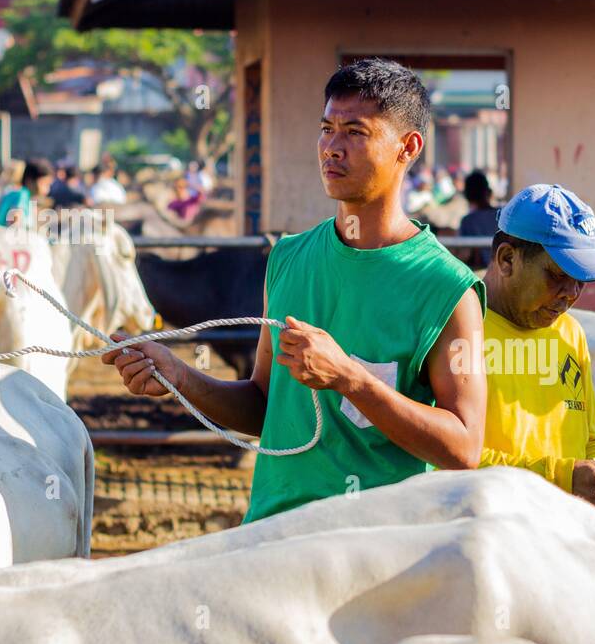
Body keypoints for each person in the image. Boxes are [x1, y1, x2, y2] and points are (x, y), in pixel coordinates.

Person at [104, 58, 487, 520]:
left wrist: (350, 378)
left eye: (355, 132)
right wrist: (180, 376)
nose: (332, 148)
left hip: (378, 548)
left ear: (408, 148)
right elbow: (263, 407)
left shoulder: (448, 289)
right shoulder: (288, 259)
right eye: (327, 129)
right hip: (271, 534)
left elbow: (464, 448)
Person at [478, 183, 595, 519]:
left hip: (563, 538)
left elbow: (590, 442)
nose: (571, 294)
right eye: (558, 275)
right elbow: (447, 458)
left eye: (581, 280)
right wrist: (565, 477)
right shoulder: (458, 332)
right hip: (489, 541)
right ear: (508, 259)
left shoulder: (570, 333)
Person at [0, 158, 53, 229]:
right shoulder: (22, 195)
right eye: (44, 184)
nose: (47, 189)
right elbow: (15, 223)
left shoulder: (24, 196)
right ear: (30, 181)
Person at [457, 169, 498, 267]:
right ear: (488, 191)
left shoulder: (468, 221)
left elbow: (466, 254)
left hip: (483, 272)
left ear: (467, 195)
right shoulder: (502, 214)